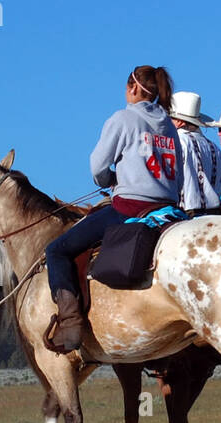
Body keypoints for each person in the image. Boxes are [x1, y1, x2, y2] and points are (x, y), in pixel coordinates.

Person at [45, 65, 182, 351]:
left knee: (56, 250)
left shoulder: (123, 119)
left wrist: (110, 179)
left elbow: (97, 167)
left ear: (133, 88)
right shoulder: (169, 126)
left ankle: (70, 323)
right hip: (168, 210)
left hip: (129, 208)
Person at [171, 92, 221, 215]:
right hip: (215, 213)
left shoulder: (177, 141)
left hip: (186, 212)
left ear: (179, 121)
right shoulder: (214, 147)